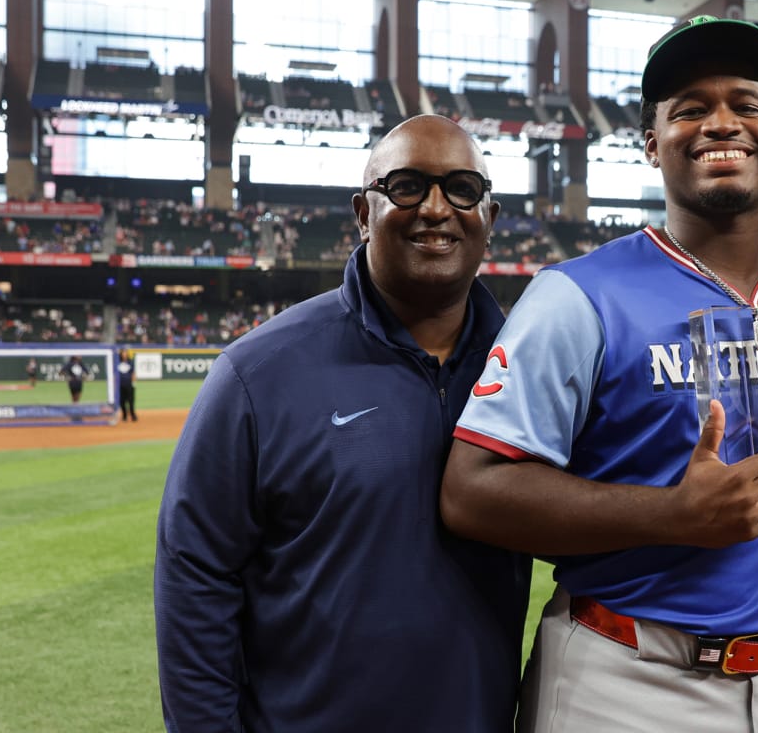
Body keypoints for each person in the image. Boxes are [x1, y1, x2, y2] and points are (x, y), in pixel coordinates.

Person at [441, 16, 758, 732]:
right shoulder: (576, 294)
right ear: (653, 145)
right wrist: (672, 515)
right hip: (627, 678)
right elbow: (472, 493)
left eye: (747, 105)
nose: (722, 122)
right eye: (690, 108)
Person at [154, 115, 530, 733]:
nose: (436, 209)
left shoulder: (530, 369)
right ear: (363, 213)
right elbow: (195, 576)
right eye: (406, 186)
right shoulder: (257, 373)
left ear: (489, 216)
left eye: (462, 188)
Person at [115, 347, 137, 422]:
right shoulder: (117, 362)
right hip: (120, 385)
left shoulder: (130, 362)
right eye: (123, 353)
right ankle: (124, 416)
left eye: (125, 353)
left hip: (129, 385)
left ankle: (133, 415)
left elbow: (133, 373)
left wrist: (133, 383)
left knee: (131, 401)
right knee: (122, 401)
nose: (124, 354)